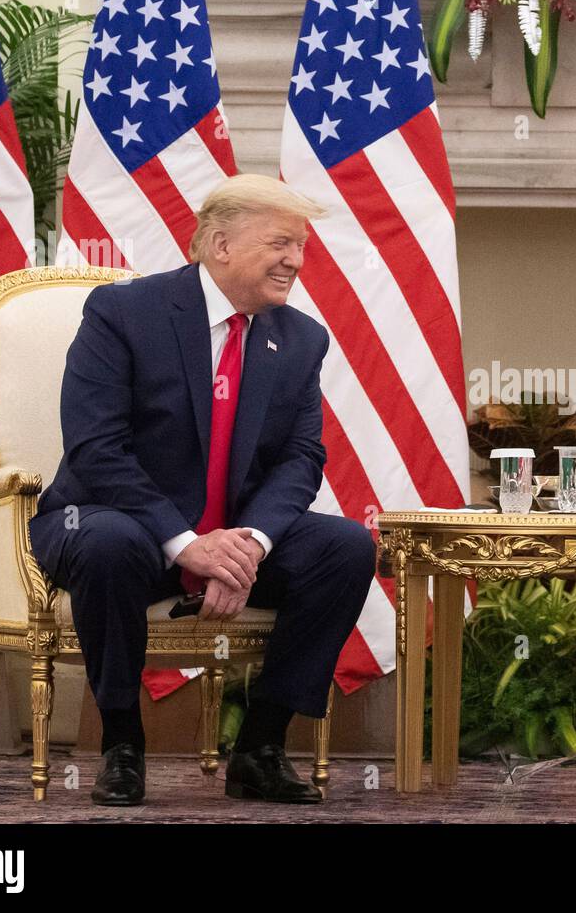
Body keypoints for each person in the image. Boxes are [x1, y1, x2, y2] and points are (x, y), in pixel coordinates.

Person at [29, 174, 375, 806]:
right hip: (124, 526)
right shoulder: (124, 314)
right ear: (219, 244)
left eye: (299, 246)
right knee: (104, 541)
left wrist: (249, 544)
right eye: (280, 243)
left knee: (346, 546)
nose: (295, 260)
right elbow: (96, 449)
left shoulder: (299, 338)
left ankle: (261, 747)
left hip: (231, 534)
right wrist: (187, 543)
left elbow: (302, 458)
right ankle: (122, 747)